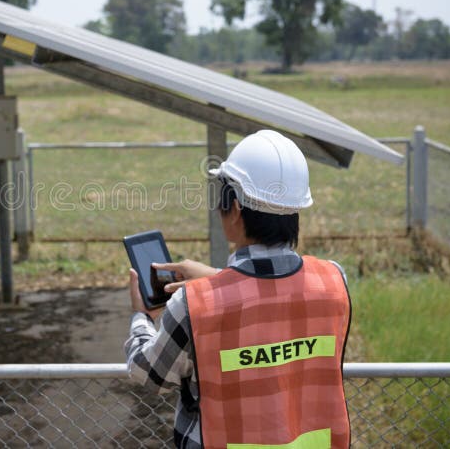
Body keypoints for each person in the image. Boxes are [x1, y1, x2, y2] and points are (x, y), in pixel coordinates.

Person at [125, 129, 352, 448]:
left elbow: (149, 373)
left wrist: (142, 316)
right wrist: (218, 277)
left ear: (233, 207)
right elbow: (275, 298)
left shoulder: (194, 304)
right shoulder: (333, 281)